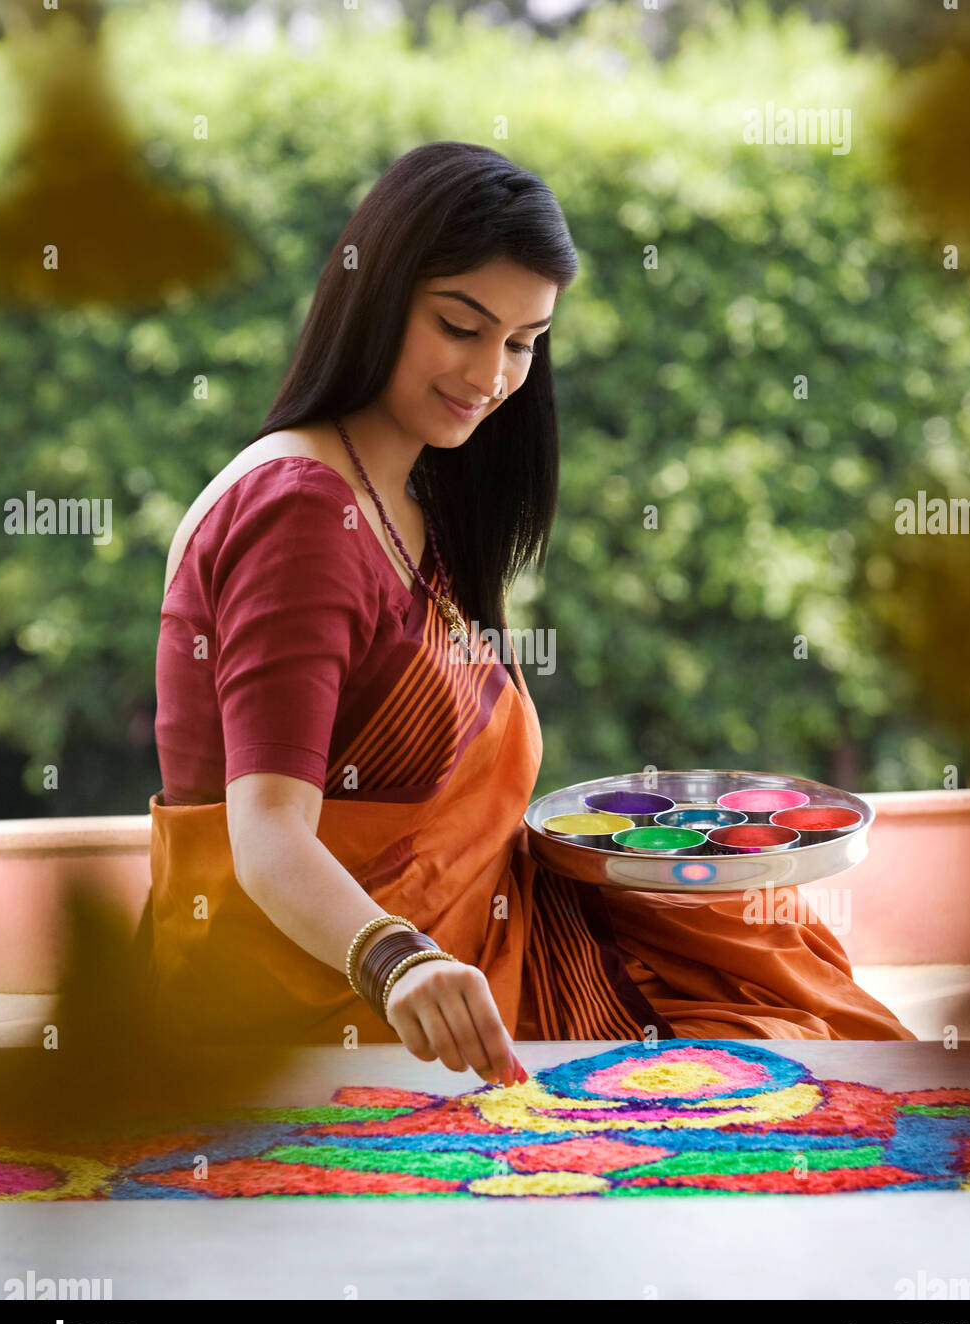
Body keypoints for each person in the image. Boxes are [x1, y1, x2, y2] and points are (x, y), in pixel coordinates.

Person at [137, 141, 915, 1086]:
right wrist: (404, 962)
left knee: (766, 955)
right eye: (459, 326)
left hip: (476, 942)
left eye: (522, 342)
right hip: (330, 995)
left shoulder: (410, 496)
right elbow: (266, 838)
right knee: (763, 1055)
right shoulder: (302, 509)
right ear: (376, 295)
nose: (491, 375)